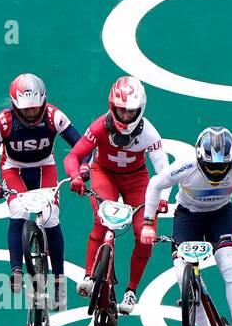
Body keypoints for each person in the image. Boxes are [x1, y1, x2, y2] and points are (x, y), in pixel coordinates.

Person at [141, 127, 232, 326]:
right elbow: (156, 184)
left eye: (223, 168)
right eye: (211, 167)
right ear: (200, 157)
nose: (217, 172)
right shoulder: (186, 165)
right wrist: (149, 222)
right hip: (188, 217)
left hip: (220, 216)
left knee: (230, 267)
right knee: (183, 276)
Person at [64, 75, 171, 313]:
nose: (124, 116)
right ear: (112, 106)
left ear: (140, 110)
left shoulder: (150, 135)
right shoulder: (100, 126)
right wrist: (75, 176)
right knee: (101, 221)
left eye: (130, 112)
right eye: (120, 110)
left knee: (145, 233)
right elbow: (72, 156)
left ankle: (131, 291)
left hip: (136, 180)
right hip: (104, 174)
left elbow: (164, 172)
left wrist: (163, 198)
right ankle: (90, 276)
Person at [0, 73, 81, 310]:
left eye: (35, 108)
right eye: (26, 110)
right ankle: (16, 269)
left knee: (50, 218)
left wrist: (82, 167)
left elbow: (81, 145)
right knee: (18, 212)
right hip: (14, 169)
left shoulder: (55, 116)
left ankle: (58, 280)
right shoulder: (1, 122)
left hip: (46, 166)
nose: (31, 114)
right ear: (14, 105)